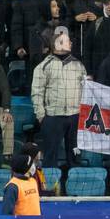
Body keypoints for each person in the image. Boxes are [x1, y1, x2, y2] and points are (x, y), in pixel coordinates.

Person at [30, 27, 86, 173]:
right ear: (56, 44)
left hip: (75, 116)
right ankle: (50, 188)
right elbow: (36, 93)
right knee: (50, 156)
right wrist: (41, 116)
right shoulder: (43, 67)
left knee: (75, 155)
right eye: (65, 41)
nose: (70, 43)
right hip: (53, 117)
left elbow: (86, 90)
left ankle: (75, 185)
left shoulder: (79, 65)